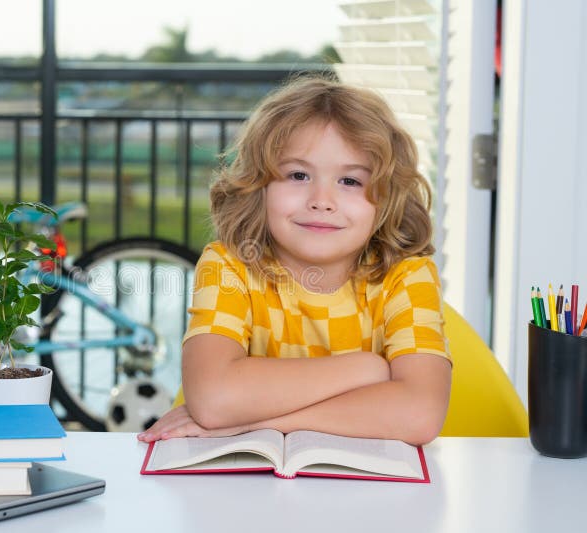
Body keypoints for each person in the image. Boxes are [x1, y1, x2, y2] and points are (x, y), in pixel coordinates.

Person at [138, 76, 452, 446]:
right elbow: (214, 399)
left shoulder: (408, 276)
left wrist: (256, 422)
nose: (322, 199)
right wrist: (367, 369)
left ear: (387, 199)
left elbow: (419, 414)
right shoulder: (228, 267)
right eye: (298, 175)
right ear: (259, 186)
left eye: (350, 181)